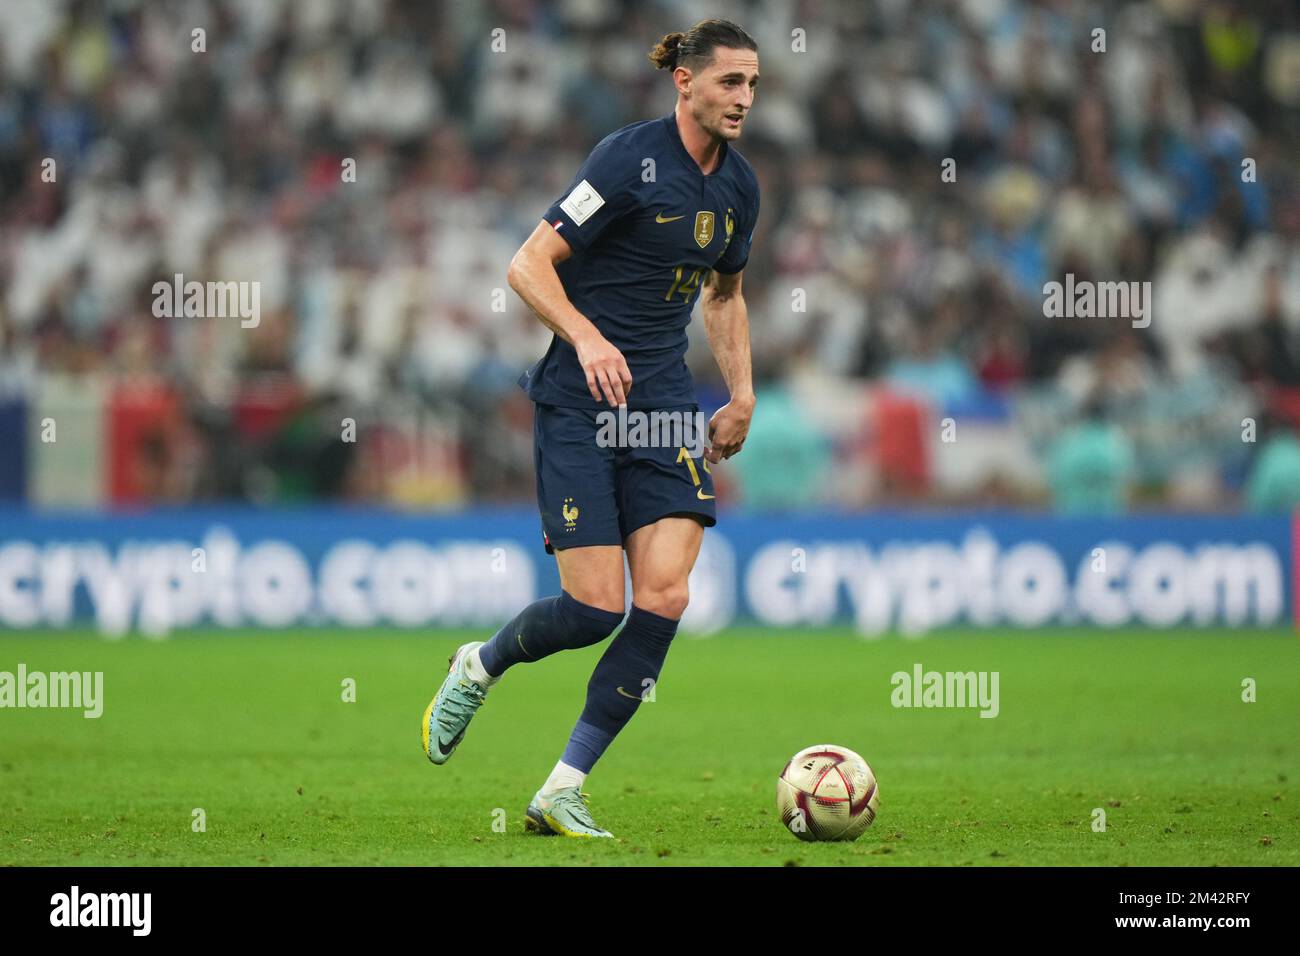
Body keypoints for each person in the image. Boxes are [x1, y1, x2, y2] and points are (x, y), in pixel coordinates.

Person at [421, 19, 761, 838]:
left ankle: (561, 787)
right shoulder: (627, 159)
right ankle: (482, 662)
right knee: (594, 606)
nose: (744, 99)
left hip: (668, 410)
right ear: (686, 82)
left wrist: (742, 394)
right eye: (729, 83)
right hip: (580, 403)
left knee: (669, 594)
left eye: (752, 84)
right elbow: (527, 262)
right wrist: (588, 335)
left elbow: (724, 295)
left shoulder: (741, 188)